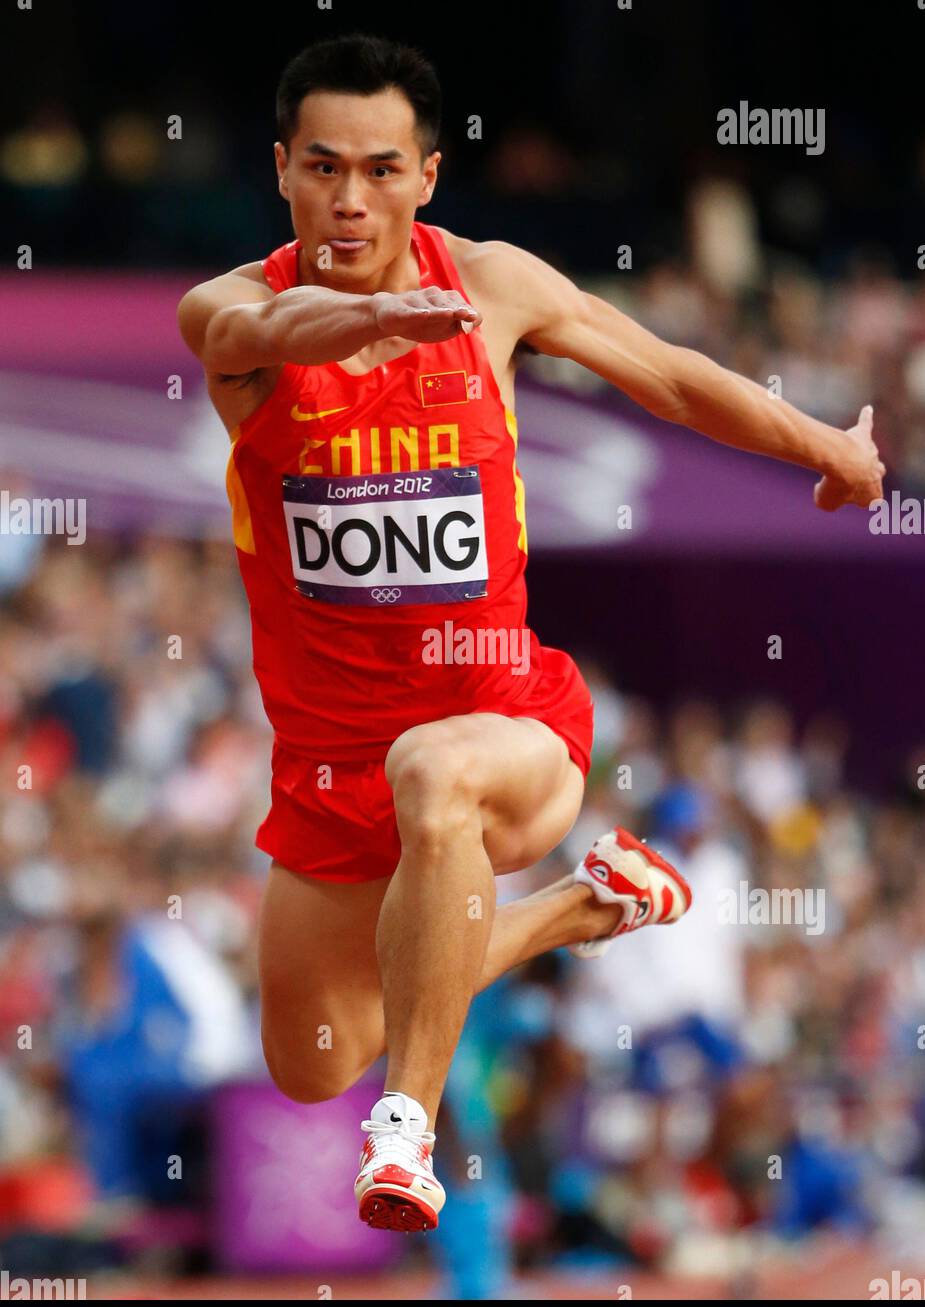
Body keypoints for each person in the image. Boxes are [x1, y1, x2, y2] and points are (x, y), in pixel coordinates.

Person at [176, 32, 884, 1232]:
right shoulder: (229, 308)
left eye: (383, 169)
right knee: (307, 1056)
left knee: (432, 773)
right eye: (326, 168)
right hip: (328, 763)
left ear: (429, 176)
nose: (353, 199)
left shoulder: (494, 284)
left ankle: (403, 1133)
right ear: (285, 169)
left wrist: (829, 448)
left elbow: (663, 372)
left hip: (505, 724)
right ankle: (584, 906)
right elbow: (259, 337)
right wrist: (356, 325)